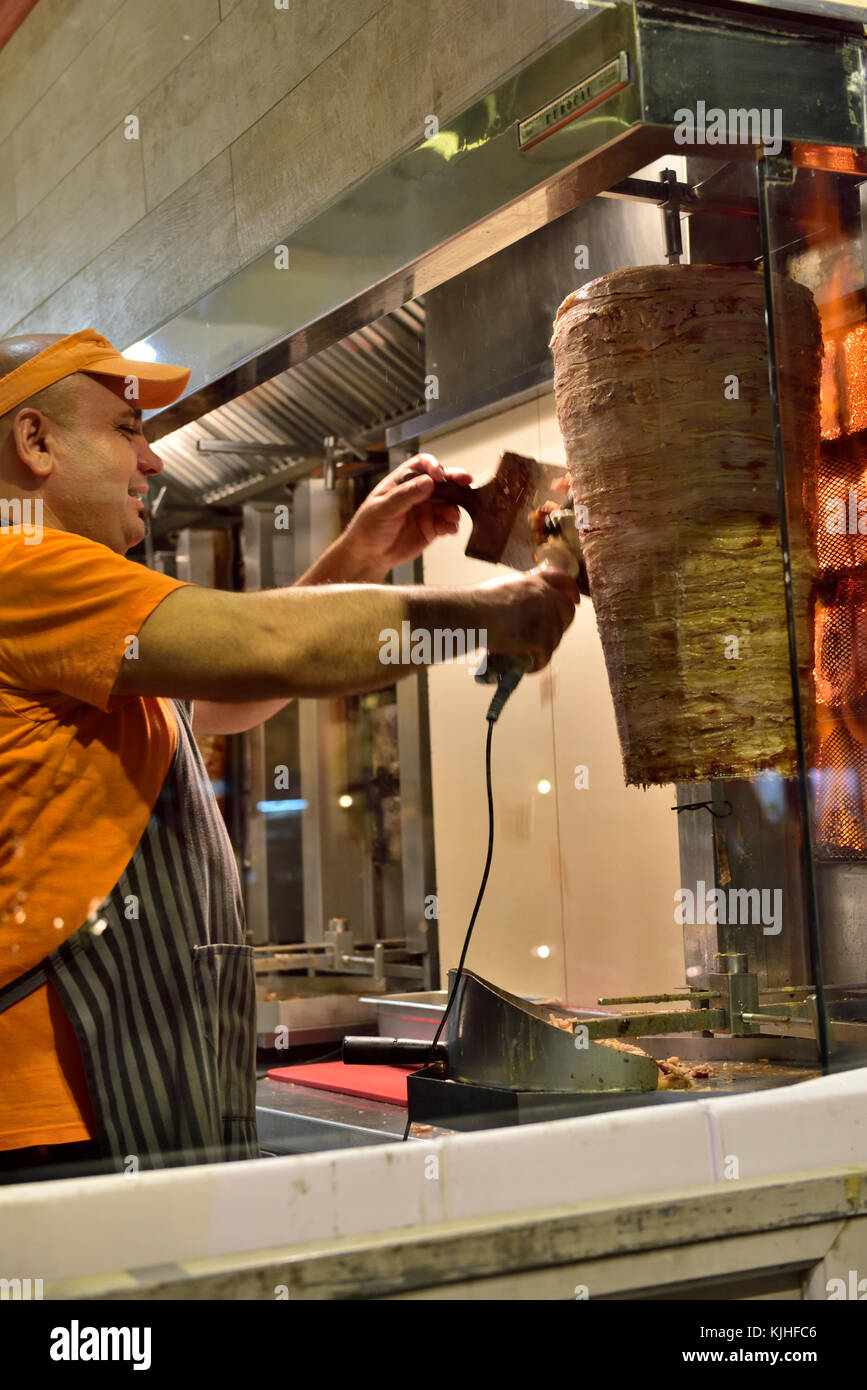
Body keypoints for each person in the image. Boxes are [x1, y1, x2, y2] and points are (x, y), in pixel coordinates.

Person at [0, 330, 579, 1176]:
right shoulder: (25, 565)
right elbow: (273, 646)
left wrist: (360, 556)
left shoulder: (64, 604)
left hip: (110, 1091)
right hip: (53, 1114)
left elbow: (225, 698)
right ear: (35, 440)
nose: (152, 462)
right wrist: (505, 611)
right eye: (127, 429)